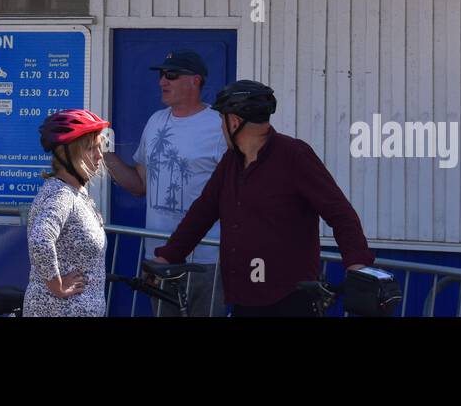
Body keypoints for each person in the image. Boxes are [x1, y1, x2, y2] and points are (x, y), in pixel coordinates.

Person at [153, 80, 375, 317]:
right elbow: (203, 211)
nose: (221, 128)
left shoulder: (294, 156)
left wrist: (356, 264)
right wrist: (168, 255)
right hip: (244, 298)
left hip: (289, 300)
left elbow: (339, 212)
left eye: (222, 120)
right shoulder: (231, 162)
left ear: (235, 122)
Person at [103, 48, 226, 316]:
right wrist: (102, 153)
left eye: (171, 75)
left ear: (195, 80)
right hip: (158, 258)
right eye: (161, 75)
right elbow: (140, 186)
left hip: (205, 261)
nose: (162, 81)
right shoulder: (156, 121)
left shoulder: (219, 125)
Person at [24, 109, 110, 317]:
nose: (99, 155)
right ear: (66, 154)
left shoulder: (75, 193)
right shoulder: (61, 195)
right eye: (91, 148)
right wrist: (57, 285)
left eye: (100, 147)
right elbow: (40, 239)